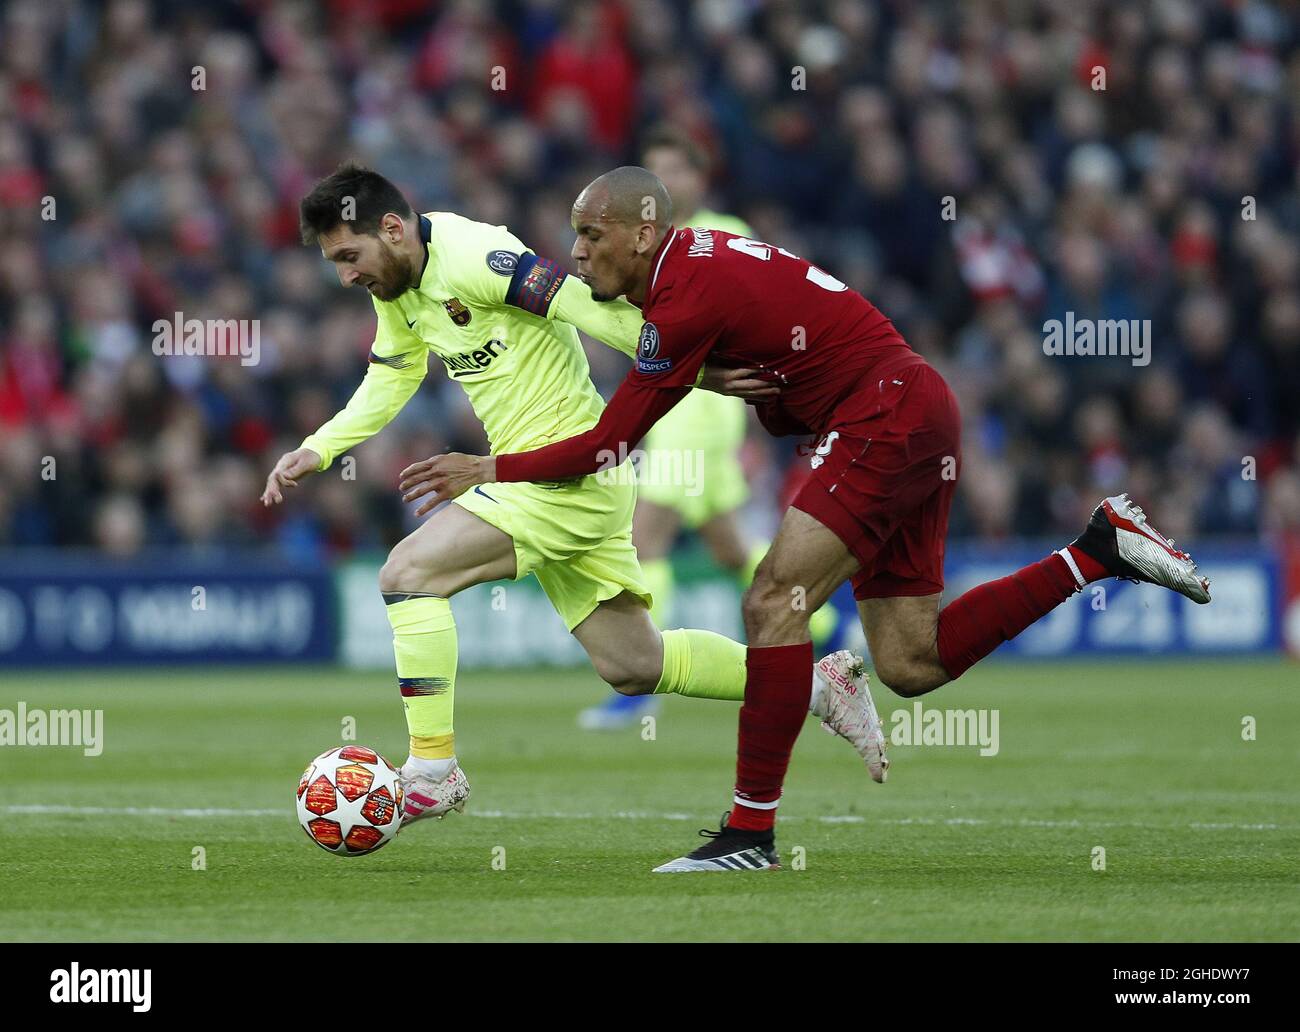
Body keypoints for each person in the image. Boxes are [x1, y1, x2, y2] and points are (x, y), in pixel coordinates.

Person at [401, 166, 1212, 872]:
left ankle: (750, 830)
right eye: (573, 236)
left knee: (772, 600)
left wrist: (489, 467)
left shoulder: (683, 298)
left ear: (644, 233)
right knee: (911, 662)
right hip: (910, 407)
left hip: (885, 415)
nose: (576, 254)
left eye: (591, 235)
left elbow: (609, 442)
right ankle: (1099, 551)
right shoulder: (694, 276)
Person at [262, 164, 887, 828]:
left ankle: (432, 770)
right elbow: (393, 374)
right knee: (634, 664)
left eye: (349, 256)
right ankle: (820, 686)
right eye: (334, 263)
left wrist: (692, 368)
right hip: (562, 480)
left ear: (392, 228)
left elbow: (585, 305)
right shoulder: (397, 288)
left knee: (407, 575)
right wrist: (321, 447)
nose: (345, 276)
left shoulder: (476, 255)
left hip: (565, 475)